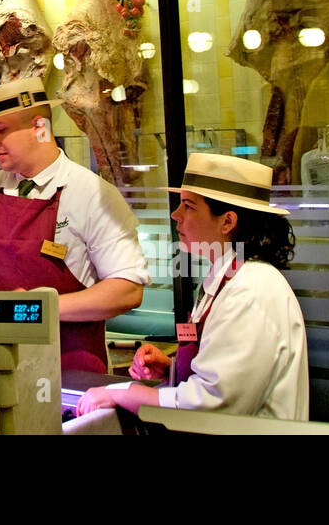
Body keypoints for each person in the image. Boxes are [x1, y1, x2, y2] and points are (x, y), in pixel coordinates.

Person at [77, 153, 309, 420]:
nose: (176, 215)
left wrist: (124, 393)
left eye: (188, 206)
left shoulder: (251, 290)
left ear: (227, 222)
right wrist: (171, 368)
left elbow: (215, 403)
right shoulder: (225, 278)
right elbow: (226, 372)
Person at [0, 77, 149, 373]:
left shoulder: (92, 193)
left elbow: (127, 289)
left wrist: (40, 309)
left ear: (40, 128)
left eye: (1, 130)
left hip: (70, 373)